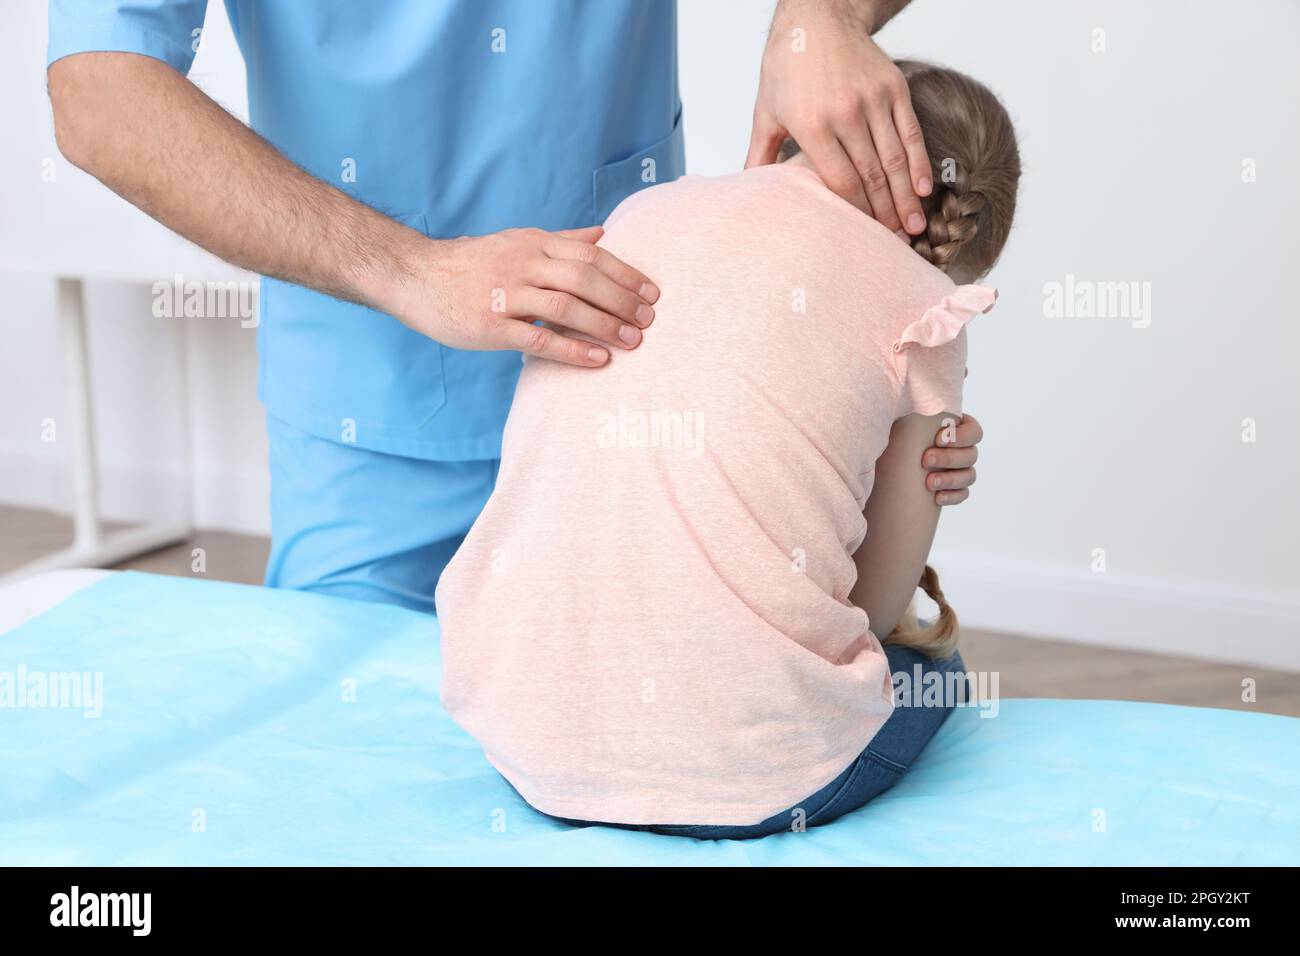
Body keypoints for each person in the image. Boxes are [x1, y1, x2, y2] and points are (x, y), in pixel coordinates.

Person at [46, 0, 982, 613]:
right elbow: (98, 88)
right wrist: (406, 269)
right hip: (369, 402)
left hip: (638, 379)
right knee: (353, 751)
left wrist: (821, 18)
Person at [435, 59, 1022, 838]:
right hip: (758, 778)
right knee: (936, 676)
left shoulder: (647, 210)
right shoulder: (929, 309)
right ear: (956, 242)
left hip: (524, 736)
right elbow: (874, 611)